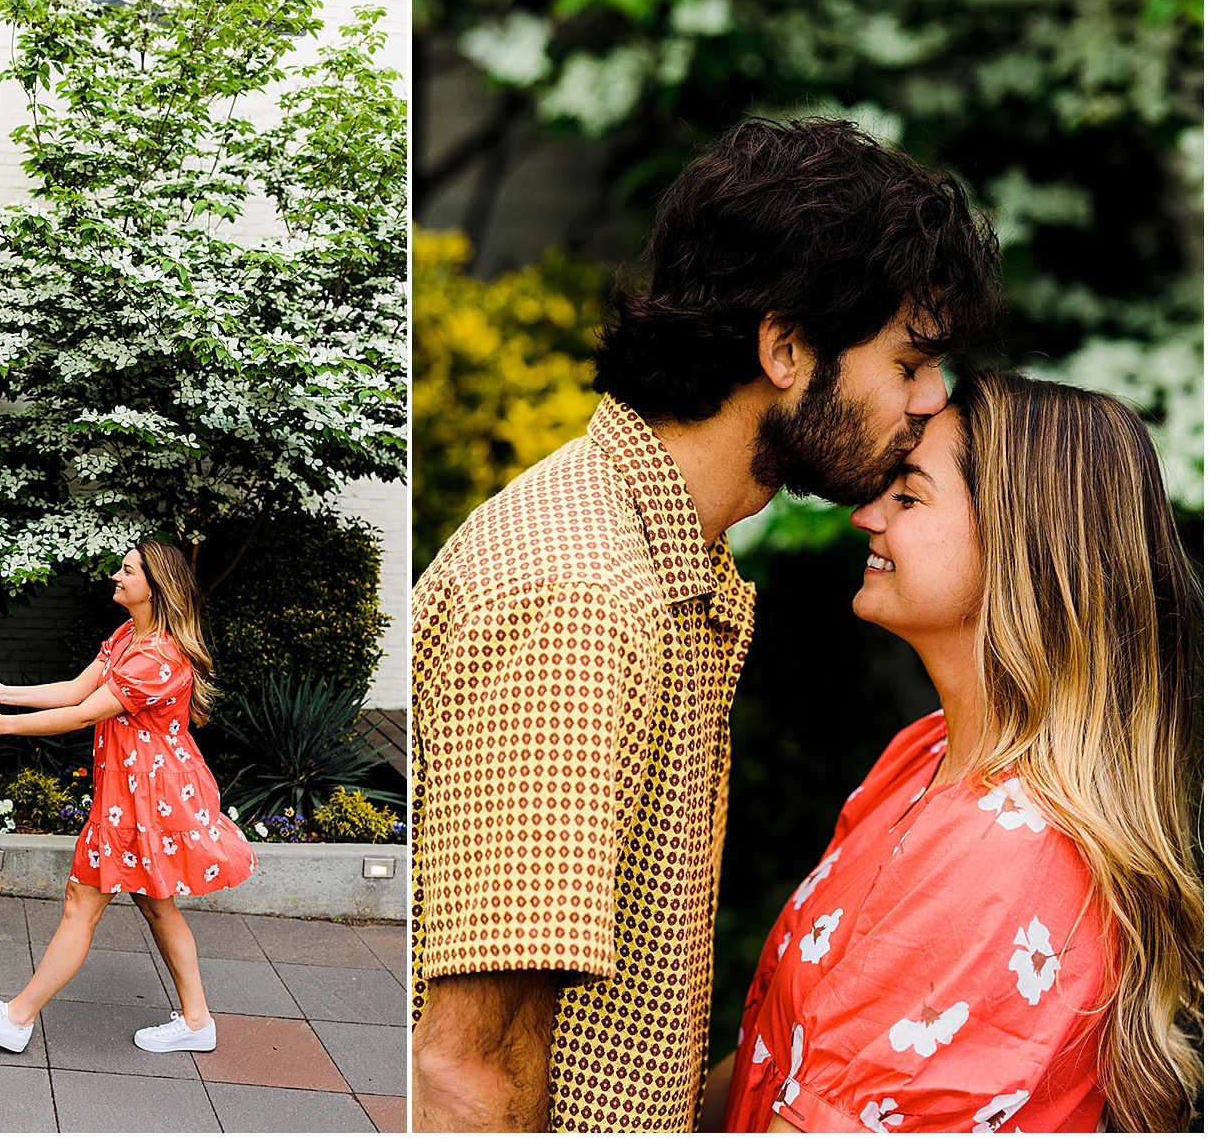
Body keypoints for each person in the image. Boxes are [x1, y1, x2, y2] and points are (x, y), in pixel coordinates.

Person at [411, 117, 1003, 1133]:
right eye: (908, 360)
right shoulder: (587, 595)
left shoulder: (664, 558)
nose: (930, 396)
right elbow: (465, 1069)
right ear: (784, 347)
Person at [710, 372, 1203, 1133]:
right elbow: (776, 1058)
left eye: (908, 496)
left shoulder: (1007, 857)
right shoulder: (925, 753)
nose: (865, 515)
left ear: (1020, 546)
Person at [0, 540, 256, 1054]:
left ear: (154, 588)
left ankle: (17, 1018)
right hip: (134, 795)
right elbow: (75, 690)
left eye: (127, 570)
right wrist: (1, 693)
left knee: (82, 903)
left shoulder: (156, 657)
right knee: (157, 908)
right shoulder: (128, 636)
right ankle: (197, 1021)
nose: (116, 575)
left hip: (148, 799)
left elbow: (83, 714)